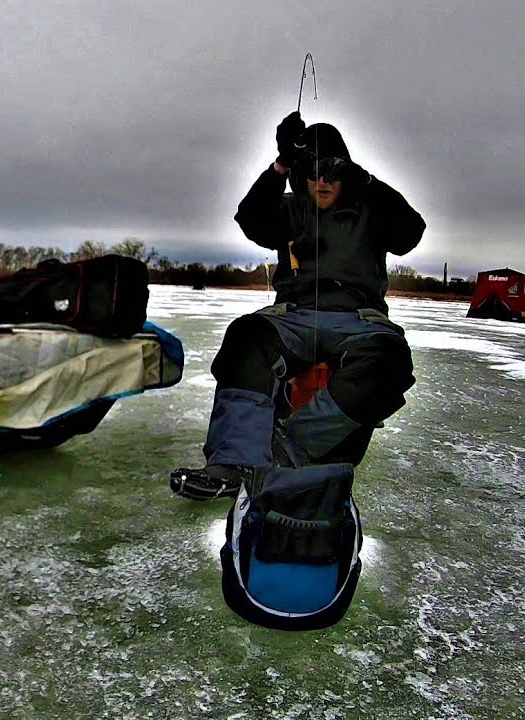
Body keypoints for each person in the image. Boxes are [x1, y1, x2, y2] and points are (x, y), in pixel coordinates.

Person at [170, 111, 426, 500]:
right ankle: (234, 462)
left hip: (360, 321)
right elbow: (250, 219)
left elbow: (410, 233)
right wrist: (281, 164)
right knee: (246, 336)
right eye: (312, 171)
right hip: (293, 317)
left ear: (346, 173)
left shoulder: (371, 208)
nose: (322, 181)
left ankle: (286, 448)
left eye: (332, 172)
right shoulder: (288, 209)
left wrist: (368, 183)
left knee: (390, 362)